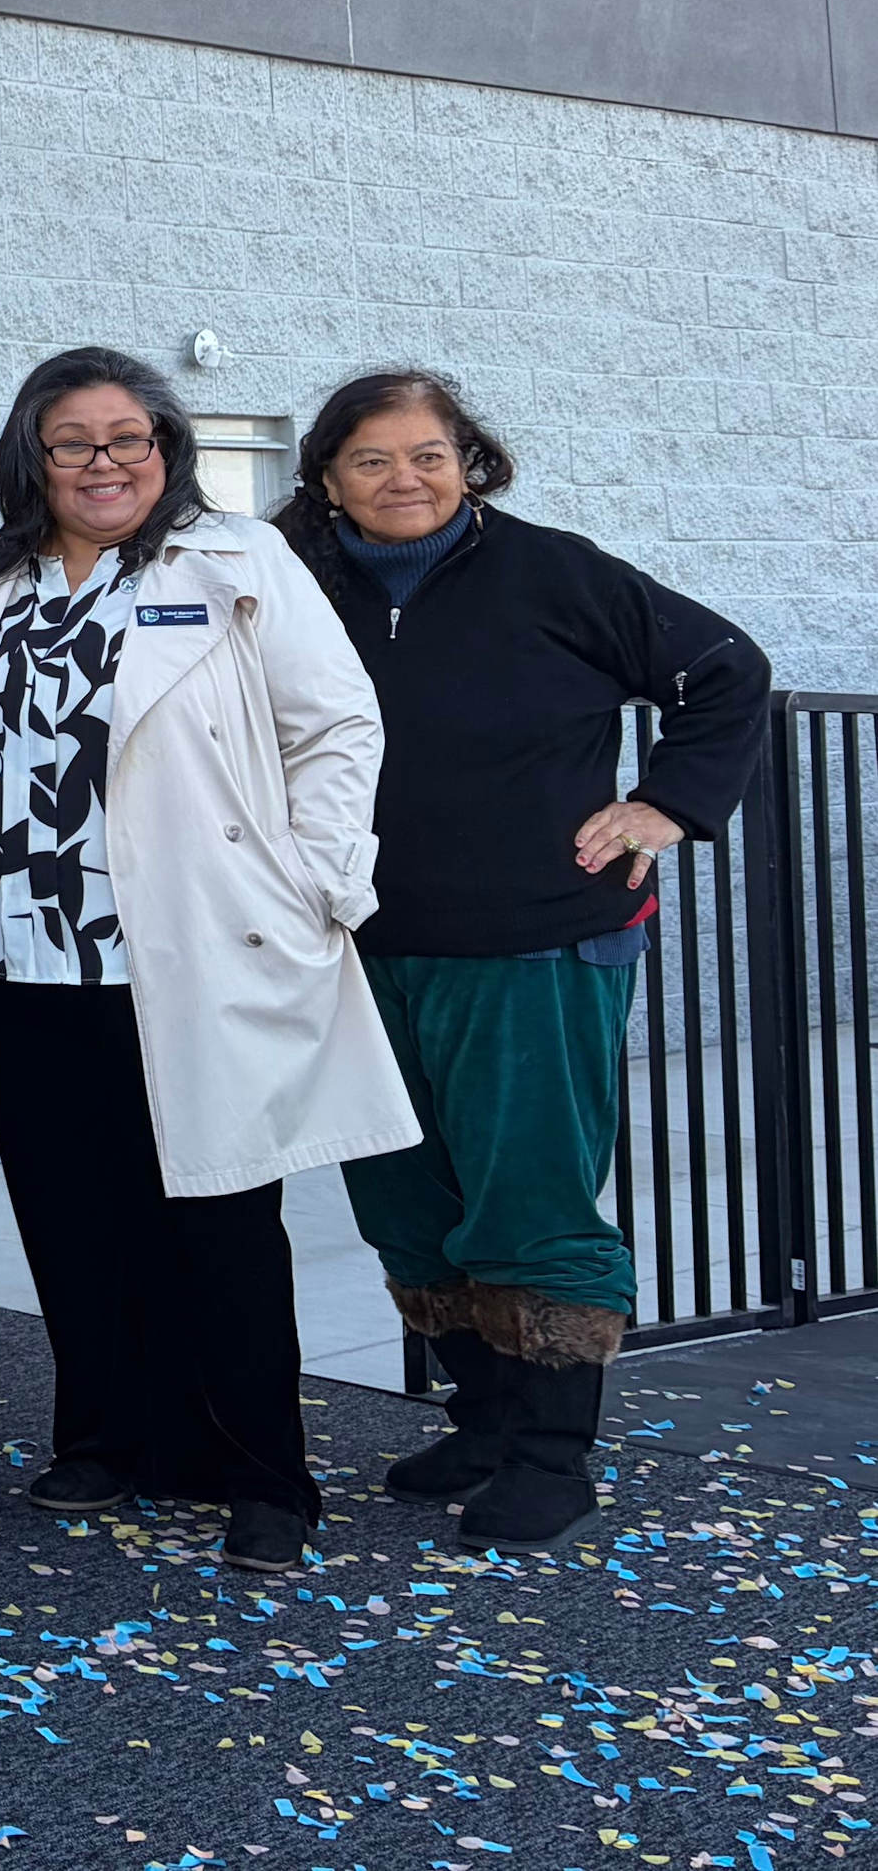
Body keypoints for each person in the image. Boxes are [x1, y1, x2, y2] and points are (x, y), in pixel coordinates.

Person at [0, 348, 413, 1574]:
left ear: (164, 449)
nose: (103, 463)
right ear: (31, 454)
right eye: (73, 441)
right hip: (24, 954)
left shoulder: (235, 560)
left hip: (189, 946)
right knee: (67, 1214)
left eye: (127, 438)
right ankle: (102, 1438)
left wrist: (318, 881)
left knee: (220, 1218)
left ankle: (260, 1473)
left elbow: (337, 720)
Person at [272, 370, 769, 1545]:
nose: (404, 479)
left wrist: (665, 805)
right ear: (326, 478)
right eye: (372, 460)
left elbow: (725, 673)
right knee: (401, 1197)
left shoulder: (554, 571)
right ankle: (485, 1415)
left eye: (428, 455)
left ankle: (553, 1451)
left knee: (528, 1196)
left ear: (469, 460)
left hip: (535, 943)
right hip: (356, 944)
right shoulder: (286, 579)